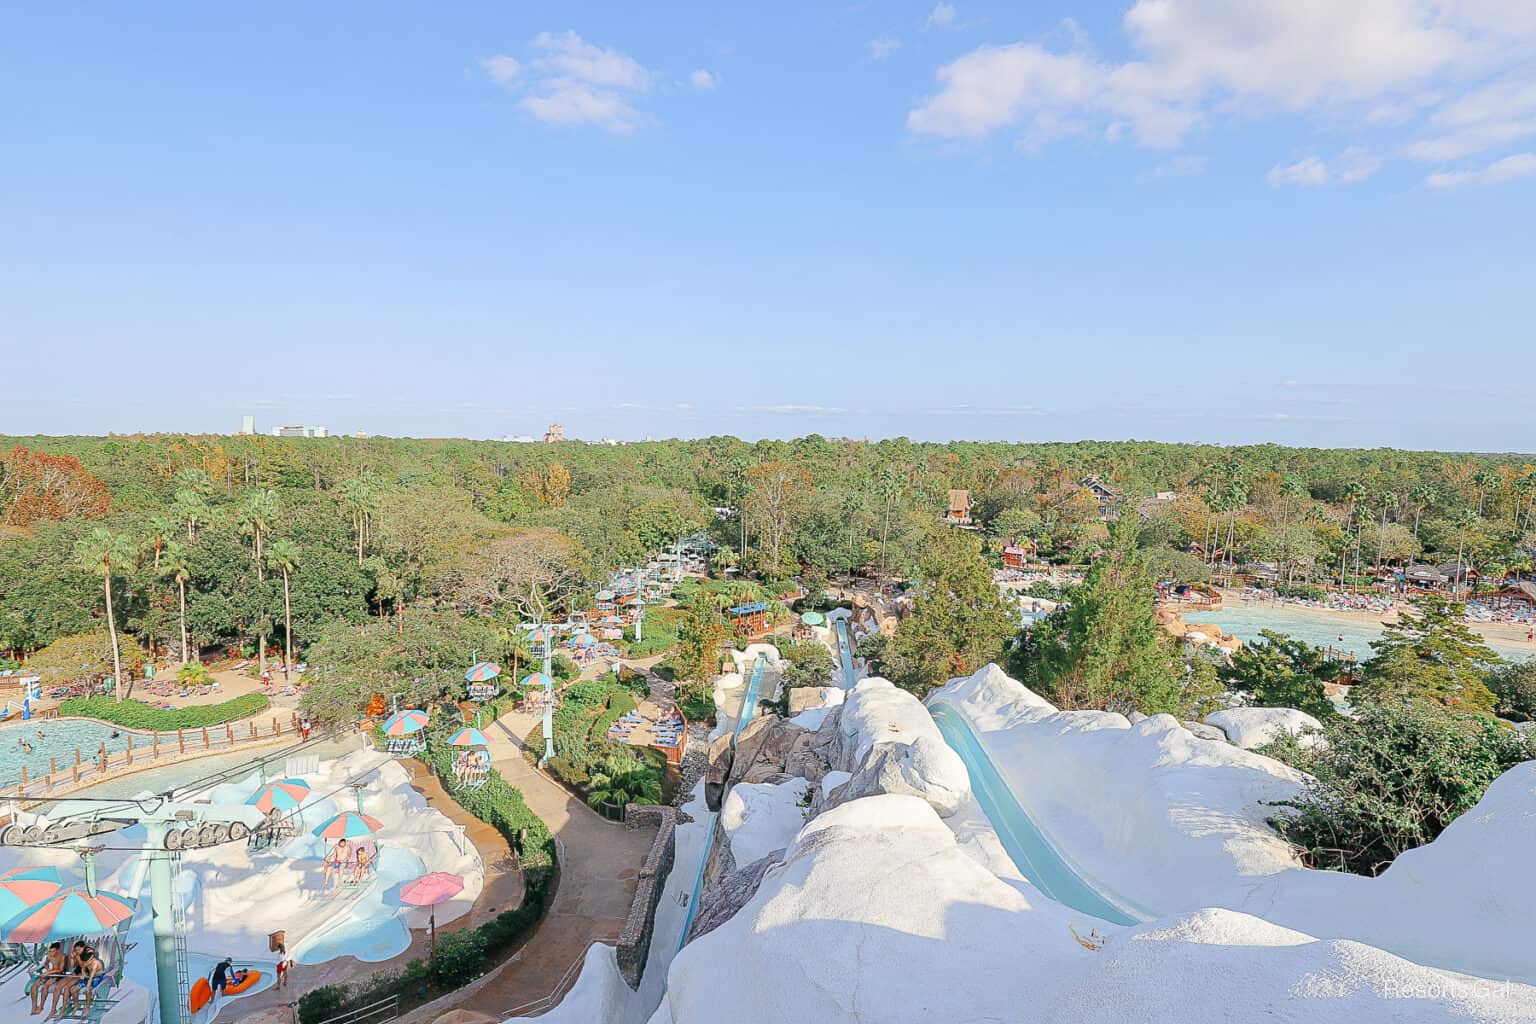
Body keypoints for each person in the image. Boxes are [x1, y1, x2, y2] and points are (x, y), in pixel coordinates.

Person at [30, 941, 67, 1015]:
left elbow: (61, 969)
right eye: (50, 951)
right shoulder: (49, 956)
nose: (51, 953)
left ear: (57, 951)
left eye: (53, 951)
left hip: (58, 974)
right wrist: (47, 969)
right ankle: (34, 1006)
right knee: (34, 986)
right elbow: (46, 963)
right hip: (50, 973)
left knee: (45, 986)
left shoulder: (62, 956)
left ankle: (41, 1006)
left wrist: (49, 972)